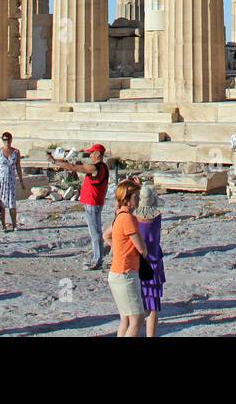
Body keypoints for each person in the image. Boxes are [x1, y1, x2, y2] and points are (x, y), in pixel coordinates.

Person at [52, 144, 110, 270]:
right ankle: (98, 258)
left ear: (98, 154)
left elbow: (73, 167)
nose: (90, 155)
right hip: (94, 203)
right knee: (96, 232)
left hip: (92, 204)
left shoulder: (96, 167)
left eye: (92, 153)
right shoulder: (102, 167)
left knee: (94, 233)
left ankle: (97, 260)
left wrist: (54, 161)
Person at [103, 181, 147, 337]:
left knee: (126, 319)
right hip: (126, 273)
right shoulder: (128, 218)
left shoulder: (118, 216)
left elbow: (106, 235)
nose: (138, 200)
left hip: (117, 272)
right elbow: (141, 248)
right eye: (136, 196)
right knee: (138, 319)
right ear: (127, 199)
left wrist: (118, 248)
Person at [134, 184, 166, 337]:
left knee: (135, 304)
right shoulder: (157, 217)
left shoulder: (134, 219)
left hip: (138, 262)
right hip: (154, 262)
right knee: (153, 306)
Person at [0, 132, 25, 231]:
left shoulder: (16, 152)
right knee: (1, 204)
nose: (6, 141)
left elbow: (18, 167)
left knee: (12, 204)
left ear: (11, 139)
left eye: (8, 139)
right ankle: (3, 226)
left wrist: (21, 181)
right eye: (4, 139)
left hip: (11, 181)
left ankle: (14, 225)